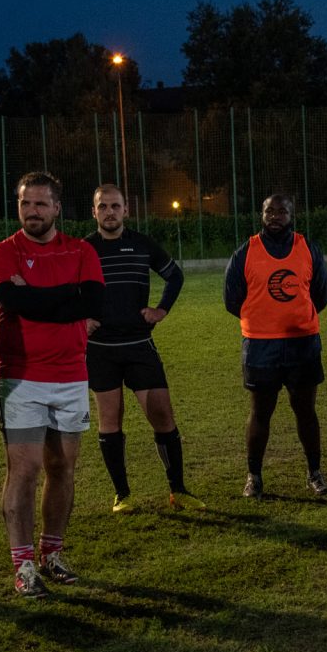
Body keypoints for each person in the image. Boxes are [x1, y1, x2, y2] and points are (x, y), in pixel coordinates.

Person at [0, 171, 105, 600]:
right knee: (25, 469)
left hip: (72, 375)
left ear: (57, 207)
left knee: (62, 468)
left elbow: (94, 302)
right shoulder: (3, 252)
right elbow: (16, 303)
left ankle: (52, 553)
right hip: (20, 378)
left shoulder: (81, 248)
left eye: (40, 204)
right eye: (25, 204)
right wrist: (67, 299)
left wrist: (40, 298)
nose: (31, 211)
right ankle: (23, 566)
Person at [83, 184, 198, 511]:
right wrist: (80, 318)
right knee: (110, 420)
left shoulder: (142, 244)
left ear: (125, 210)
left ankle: (179, 489)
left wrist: (161, 309)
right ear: (94, 212)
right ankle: (123, 495)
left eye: (115, 206)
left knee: (162, 415)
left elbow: (175, 276)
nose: (109, 212)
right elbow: (65, 290)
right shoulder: (83, 250)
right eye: (102, 206)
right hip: (100, 348)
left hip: (138, 344)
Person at [224, 193, 327, 498]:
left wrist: (294, 318)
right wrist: (263, 319)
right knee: (260, 412)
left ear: (292, 215)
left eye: (281, 211)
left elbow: (321, 295)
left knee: (306, 411)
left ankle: (315, 472)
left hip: (303, 344)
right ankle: (254, 476)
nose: (275, 216)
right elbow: (232, 300)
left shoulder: (308, 248)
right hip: (260, 346)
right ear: (261, 214)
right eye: (269, 211)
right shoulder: (245, 253)